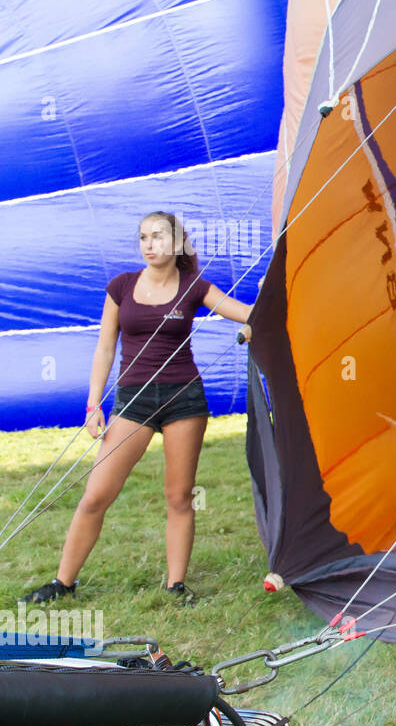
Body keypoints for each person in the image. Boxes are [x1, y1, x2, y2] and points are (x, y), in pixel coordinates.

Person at [20, 212, 253, 605]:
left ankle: (176, 586)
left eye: (158, 236)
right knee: (96, 495)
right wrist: (94, 403)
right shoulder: (121, 287)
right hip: (133, 399)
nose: (149, 244)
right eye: (143, 237)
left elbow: (249, 314)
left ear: (177, 244)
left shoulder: (194, 286)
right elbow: (104, 349)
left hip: (185, 399)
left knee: (180, 497)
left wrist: (256, 321)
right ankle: (63, 583)